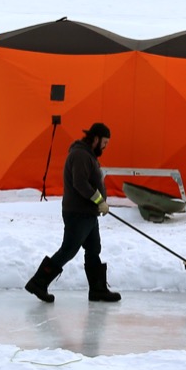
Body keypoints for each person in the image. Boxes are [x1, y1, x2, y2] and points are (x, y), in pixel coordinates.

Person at [25, 122, 121, 304]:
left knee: (93, 249)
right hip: (78, 213)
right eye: (105, 143)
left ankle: (98, 290)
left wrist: (99, 204)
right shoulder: (80, 155)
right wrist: (99, 201)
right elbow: (80, 183)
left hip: (88, 213)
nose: (105, 147)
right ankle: (38, 282)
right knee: (69, 249)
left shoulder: (88, 155)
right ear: (96, 139)